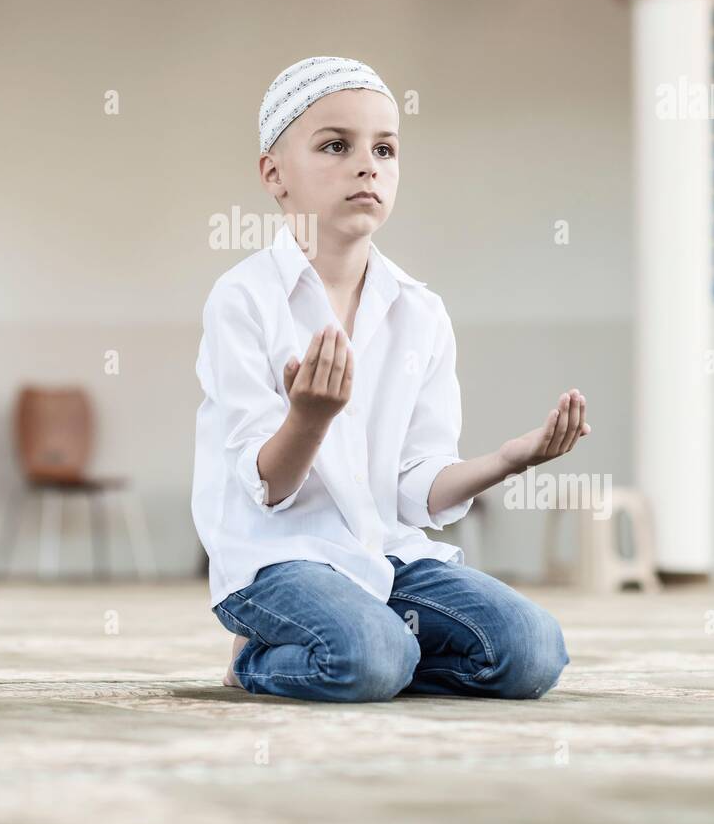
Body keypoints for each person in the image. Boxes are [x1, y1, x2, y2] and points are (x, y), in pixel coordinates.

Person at [191, 56, 587, 702]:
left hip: (386, 554)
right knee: (369, 658)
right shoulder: (243, 299)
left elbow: (416, 491)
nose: (366, 164)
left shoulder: (420, 310)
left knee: (531, 654)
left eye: (384, 148)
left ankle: (373, 646)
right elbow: (266, 488)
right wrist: (309, 419)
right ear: (274, 174)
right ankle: (258, 660)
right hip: (276, 561)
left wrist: (510, 459)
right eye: (334, 146)